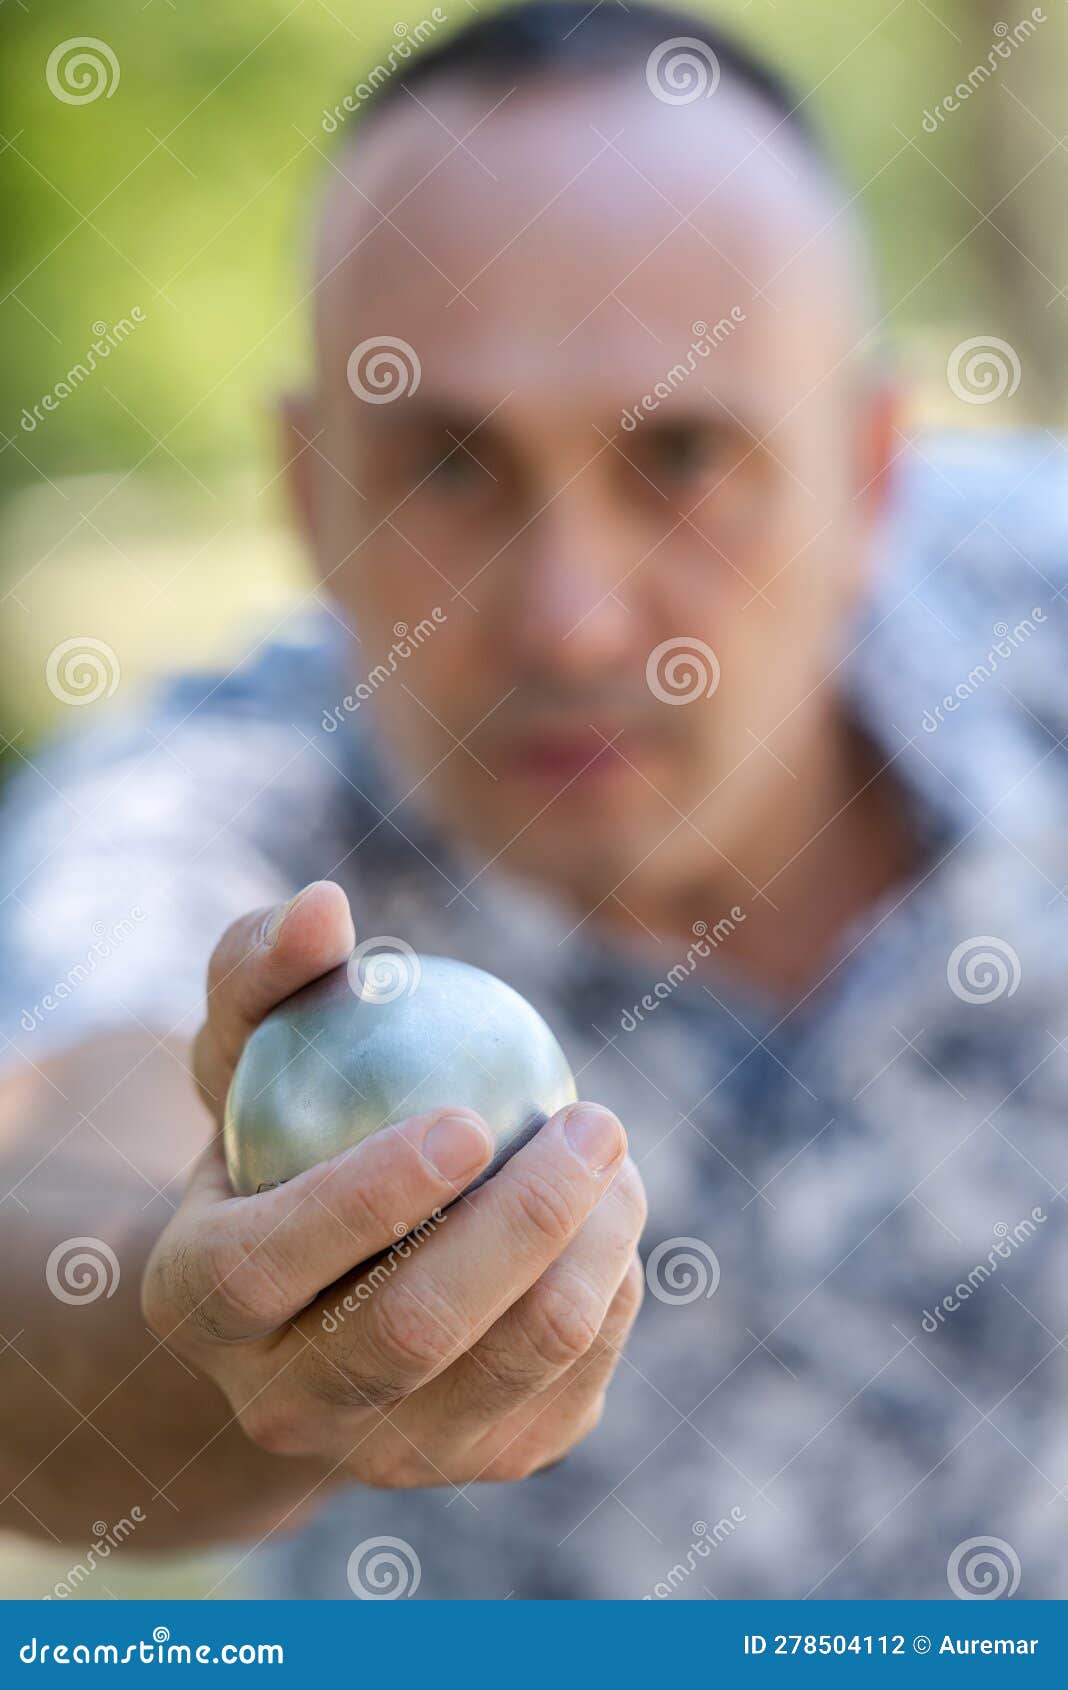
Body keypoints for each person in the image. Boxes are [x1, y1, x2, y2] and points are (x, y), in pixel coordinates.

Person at [1, 1, 1065, 1601]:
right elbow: (56, 1210)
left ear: (870, 470)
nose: (571, 617)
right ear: (310, 494)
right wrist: (197, 1303)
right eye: (447, 467)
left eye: (685, 454)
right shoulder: (206, 820)